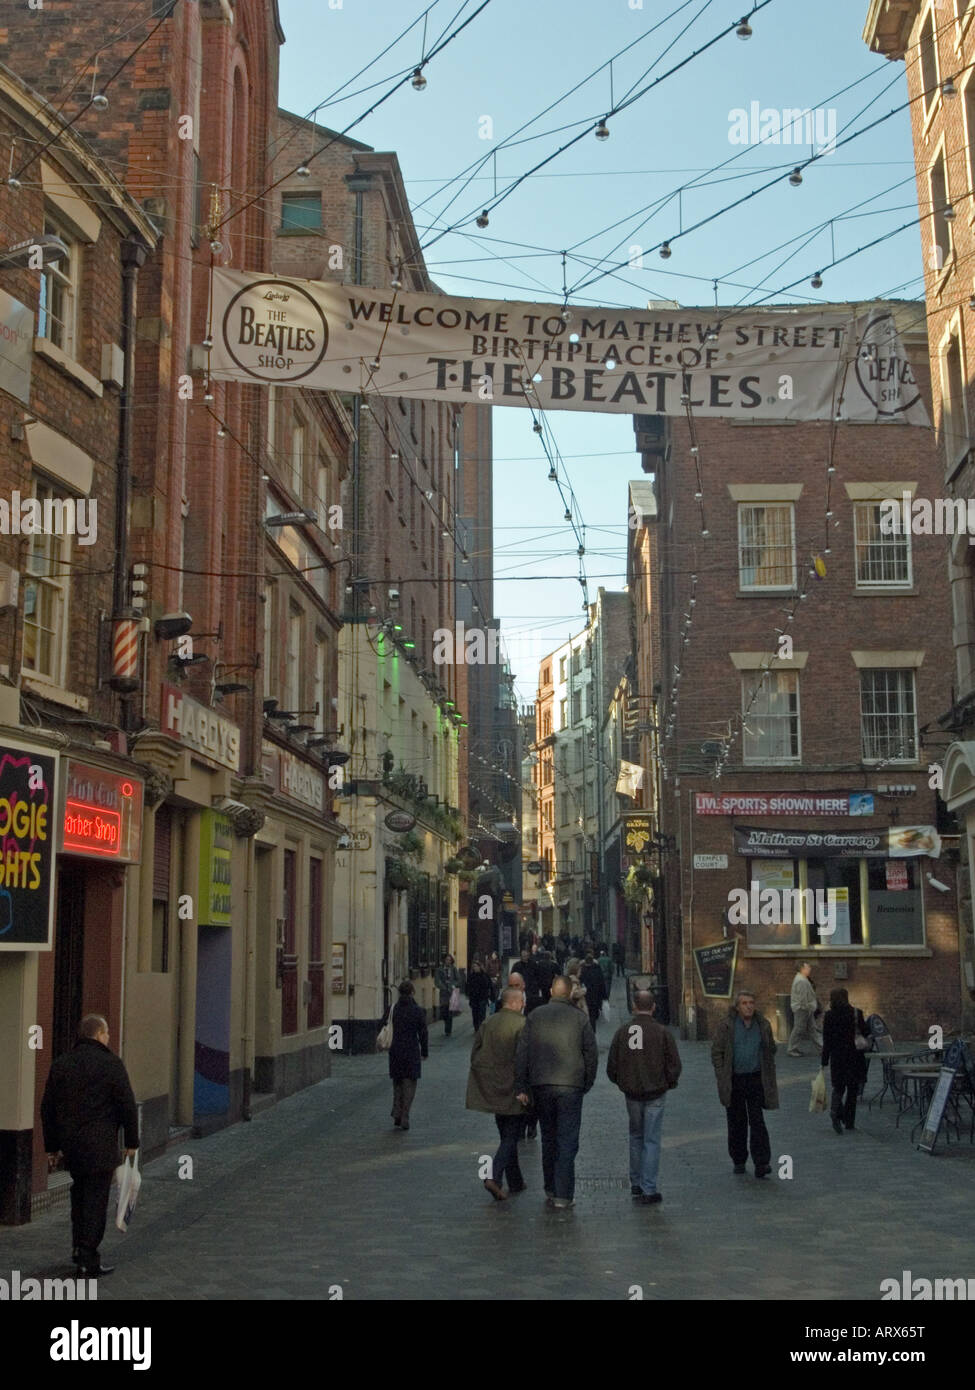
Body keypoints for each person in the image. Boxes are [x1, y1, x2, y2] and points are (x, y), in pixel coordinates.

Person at [40, 1014, 139, 1277]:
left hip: (72, 1146)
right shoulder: (111, 1064)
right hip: (101, 1145)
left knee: (79, 1196)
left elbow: (47, 1107)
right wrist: (131, 1141)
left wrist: (52, 1147)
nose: (109, 1038)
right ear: (98, 1035)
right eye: (106, 1033)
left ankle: (78, 1247)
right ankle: (87, 1257)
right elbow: (127, 1104)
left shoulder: (62, 1064)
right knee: (95, 1201)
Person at [515, 976, 597, 1209]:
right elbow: (591, 1054)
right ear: (570, 993)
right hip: (571, 1086)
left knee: (549, 1138)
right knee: (567, 1140)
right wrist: (586, 1082)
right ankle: (563, 1194)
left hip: (541, 1085)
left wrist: (522, 1085)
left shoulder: (535, 1016)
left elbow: (522, 1053)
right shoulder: (580, 1018)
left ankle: (550, 1188)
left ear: (551, 991)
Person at [607, 989, 682, 1204]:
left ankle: (636, 1182)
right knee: (651, 1139)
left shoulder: (622, 1032)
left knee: (636, 1136)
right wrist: (668, 1083)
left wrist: (622, 1083)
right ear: (654, 1007)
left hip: (632, 1093)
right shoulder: (662, 1032)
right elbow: (674, 1064)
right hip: (655, 1092)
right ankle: (649, 1187)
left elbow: (612, 1066)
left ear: (633, 1006)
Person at [466, 985, 529, 1200]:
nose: (523, 1004)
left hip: (493, 1087)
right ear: (514, 1003)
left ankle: (515, 1180)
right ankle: (493, 1177)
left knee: (506, 1134)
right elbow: (525, 1058)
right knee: (511, 1136)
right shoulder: (523, 1024)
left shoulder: (488, 1022)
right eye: (521, 1001)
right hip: (514, 1088)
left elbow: (475, 1054)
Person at [711, 989, 779, 1178]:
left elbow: (771, 1048)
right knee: (736, 1121)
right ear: (737, 1007)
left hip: (756, 1078)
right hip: (735, 1079)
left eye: (751, 1003)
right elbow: (716, 1052)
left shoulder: (762, 1024)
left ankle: (762, 1162)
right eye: (744, 1003)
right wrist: (721, 1074)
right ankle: (739, 1159)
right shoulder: (727, 1026)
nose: (749, 1006)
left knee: (757, 1121)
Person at [821, 988, 870, 1133]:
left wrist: (824, 1060)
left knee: (838, 1087)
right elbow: (866, 1031)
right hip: (854, 1056)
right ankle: (849, 1122)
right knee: (852, 1089)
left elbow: (826, 1039)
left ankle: (835, 1110)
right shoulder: (856, 1013)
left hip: (837, 1057)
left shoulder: (829, 1016)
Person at [386, 980, 428, 1130]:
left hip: (395, 1050)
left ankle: (396, 1111)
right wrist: (424, 1051)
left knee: (397, 1082)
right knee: (409, 1083)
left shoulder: (393, 1009)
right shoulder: (417, 1011)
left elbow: (383, 1025)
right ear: (412, 992)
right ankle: (405, 1115)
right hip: (411, 1050)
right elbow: (423, 1032)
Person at [788, 961, 822, 1056]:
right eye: (807, 967)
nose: (810, 969)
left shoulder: (802, 979)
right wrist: (807, 1008)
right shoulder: (801, 981)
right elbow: (802, 998)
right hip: (802, 1009)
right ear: (802, 969)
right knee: (799, 1029)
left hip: (805, 1008)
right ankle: (792, 1049)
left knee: (812, 1029)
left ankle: (821, 1048)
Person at [580, 952, 607, 1030]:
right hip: (595, 995)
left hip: (585, 995)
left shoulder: (582, 970)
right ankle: (592, 1030)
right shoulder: (597, 969)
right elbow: (602, 983)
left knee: (586, 1013)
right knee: (593, 1015)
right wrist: (604, 996)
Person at [435, 952, 460, 1037]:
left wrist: (453, 985)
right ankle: (446, 1023)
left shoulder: (453, 969)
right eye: (447, 960)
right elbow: (437, 981)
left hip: (452, 992)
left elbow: (458, 979)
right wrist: (443, 987)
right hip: (444, 993)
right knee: (444, 1010)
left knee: (450, 1012)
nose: (448, 961)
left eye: (450, 960)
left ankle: (448, 1030)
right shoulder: (439, 969)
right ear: (444, 960)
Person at [467, 958, 495, 1032]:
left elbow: (490, 986)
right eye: (474, 967)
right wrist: (469, 995)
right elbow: (468, 987)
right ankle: (476, 1029)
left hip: (482, 998)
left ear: (480, 967)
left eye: (476, 966)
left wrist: (492, 996)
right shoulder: (471, 976)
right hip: (474, 998)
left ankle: (482, 1029)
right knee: (475, 1015)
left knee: (482, 1014)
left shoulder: (485, 975)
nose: (475, 968)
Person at [515, 947, 542, 1013]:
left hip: (532, 990)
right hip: (521, 989)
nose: (524, 957)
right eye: (523, 955)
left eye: (525, 955)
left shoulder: (533, 964)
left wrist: (536, 986)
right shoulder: (517, 966)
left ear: (528, 955)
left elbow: (538, 976)